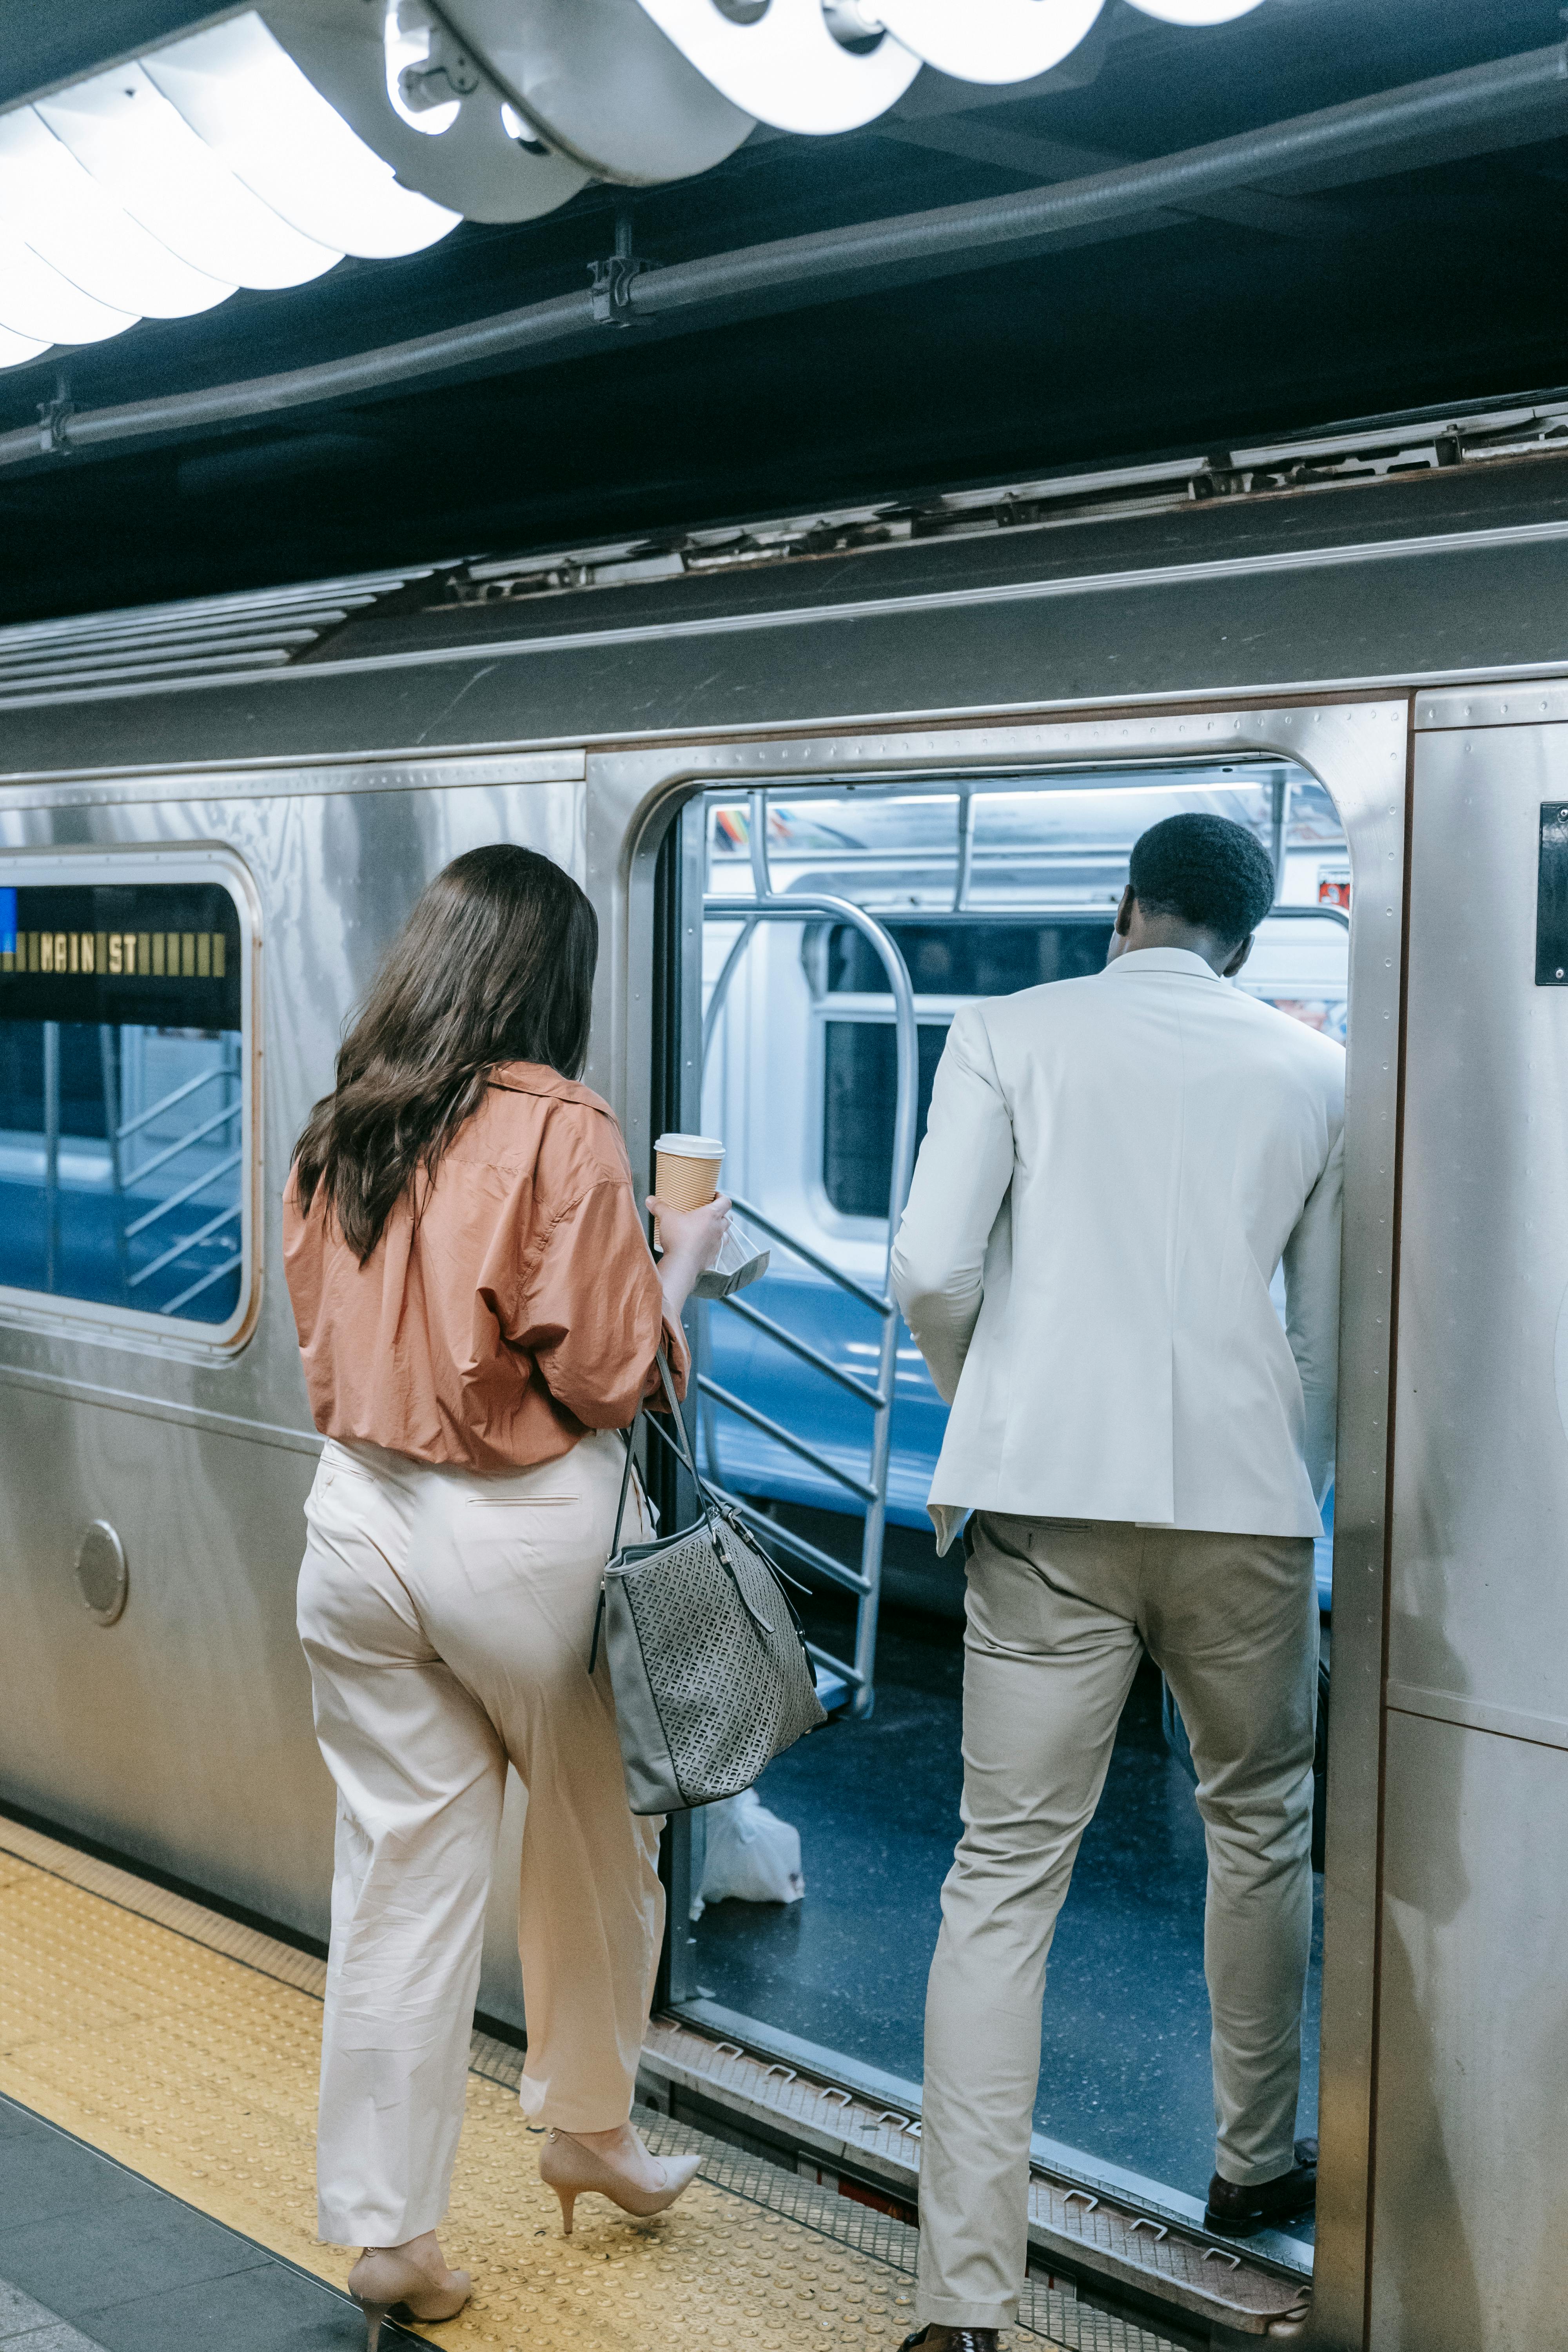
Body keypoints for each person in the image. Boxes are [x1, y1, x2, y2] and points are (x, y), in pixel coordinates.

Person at [889, 813, 1344, 2352]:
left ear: (1123, 906)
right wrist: (1297, 1487)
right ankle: (1248, 2161)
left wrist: (998, 1408)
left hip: (1044, 1506)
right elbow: (1325, 1338)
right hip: (1247, 1509)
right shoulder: (1311, 1069)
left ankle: (964, 2304)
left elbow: (932, 1271)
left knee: (1003, 1880)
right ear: (1248, 935)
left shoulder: (1009, 1033)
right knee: (1260, 1826)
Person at [283, 844, 730, 2346]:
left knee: (402, 1877)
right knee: (600, 1844)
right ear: (555, 978)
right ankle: (588, 2126)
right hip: (523, 1536)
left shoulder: (343, 1124)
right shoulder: (563, 1127)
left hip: (352, 1528)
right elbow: (609, 1376)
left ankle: (388, 2235)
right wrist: (683, 1272)